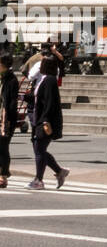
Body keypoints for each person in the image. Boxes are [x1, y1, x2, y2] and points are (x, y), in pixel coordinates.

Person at [28, 56, 68, 190]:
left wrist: (45, 120)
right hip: (39, 118)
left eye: (42, 64)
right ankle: (59, 171)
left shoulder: (50, 80)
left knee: (39, 149)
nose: (39, 66)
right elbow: (40, 99)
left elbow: (50, 102)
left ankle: (39, 180)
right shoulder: (45, 79)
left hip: (45, 121)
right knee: (39, 149)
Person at [0, 53, 16, 188]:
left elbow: (11, 103)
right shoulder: (1, 78)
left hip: (5, 119)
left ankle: (3, 176)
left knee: (3, 148)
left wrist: (8, 122)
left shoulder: (11, 80)